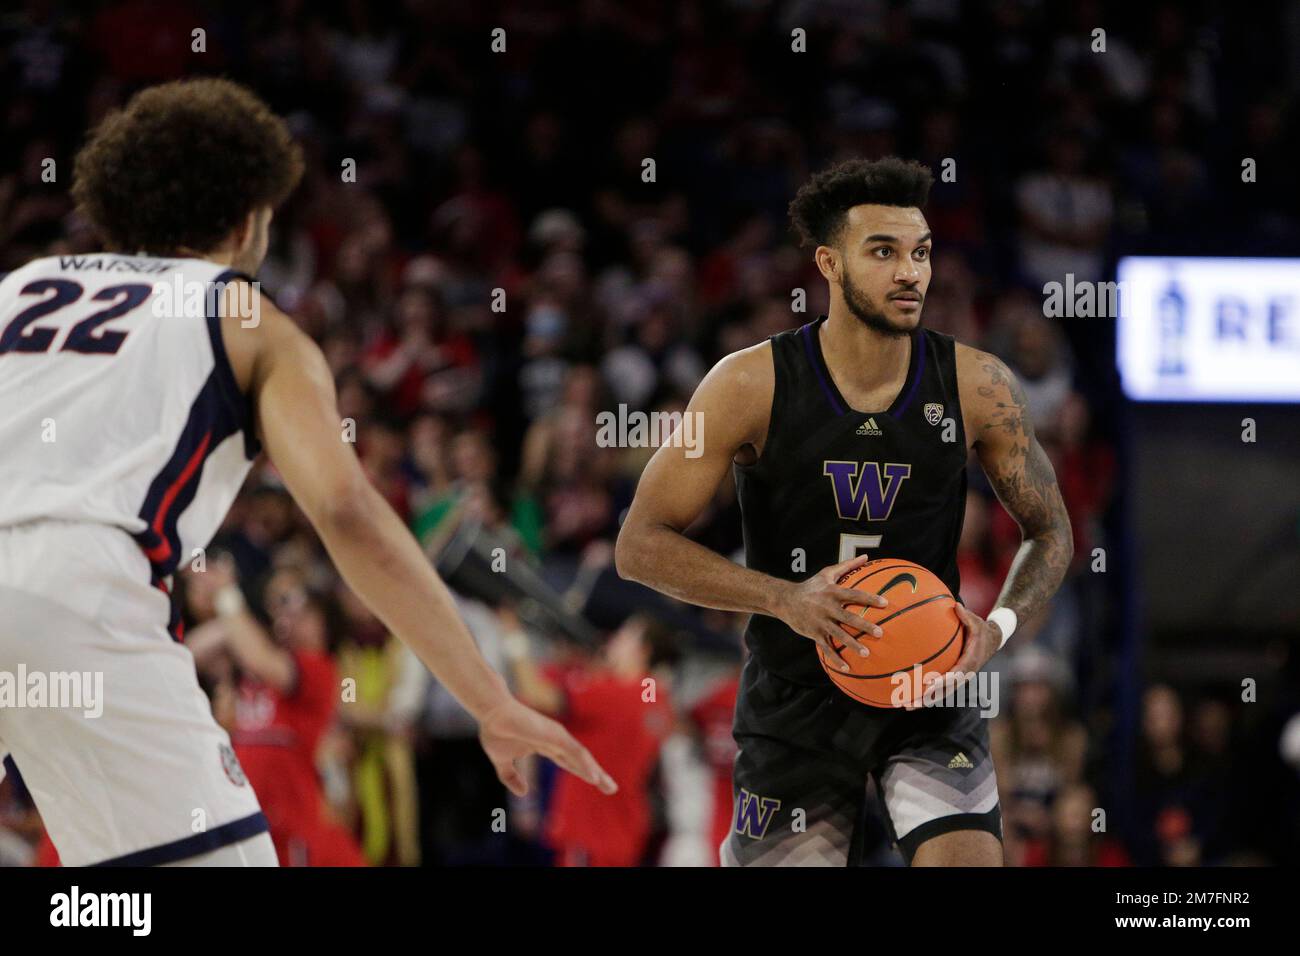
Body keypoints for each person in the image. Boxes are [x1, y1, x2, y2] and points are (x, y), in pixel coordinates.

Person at [0, 77, 614, 868]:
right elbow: (344, 508)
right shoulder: (248, 317)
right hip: (79, 591)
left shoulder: (17, 290)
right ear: (250, 217)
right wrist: (489, 699)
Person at [616, 157, 1074, 866]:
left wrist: (999, 629)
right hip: (796, 699)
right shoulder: (749, 384)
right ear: (829, 263)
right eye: (883, 252)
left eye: (920, 253)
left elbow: (1051, 531)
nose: (910, 273)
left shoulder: (978, 384)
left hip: (929, 687)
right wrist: (783, 598)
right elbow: (639, 545)